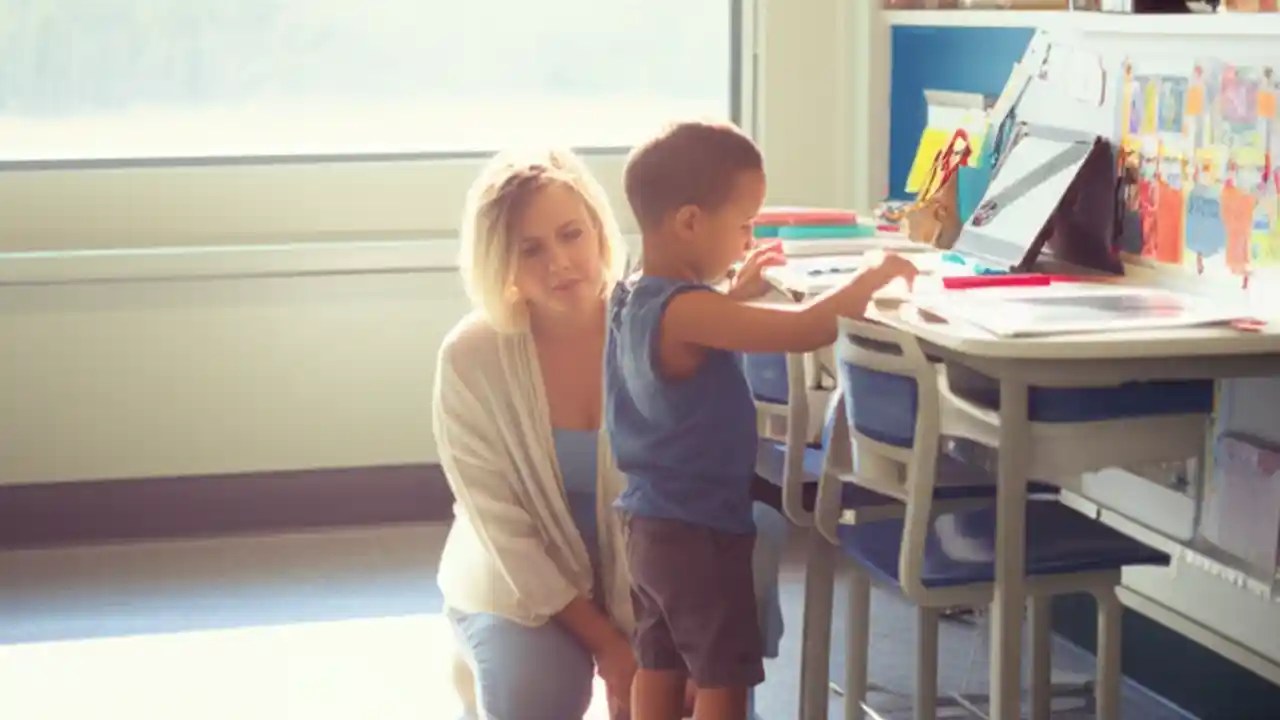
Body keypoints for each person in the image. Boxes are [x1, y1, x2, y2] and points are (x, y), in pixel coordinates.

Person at [434, 147, 789, 720]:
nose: (560, 263)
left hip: (657, 572)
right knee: (537, 700)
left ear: (599, 230)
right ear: (500, 260)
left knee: (699, 693)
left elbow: (716, 486)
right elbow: (502, 533)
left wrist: (694, 651)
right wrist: (610, 649)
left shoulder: (654, 323)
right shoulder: (469, 357)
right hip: (521, 587)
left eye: (572, 234)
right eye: (531, 249)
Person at [606, 120, 918, 720]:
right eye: (744, 225)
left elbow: (682, 344)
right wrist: (871, 275)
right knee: (722, 674)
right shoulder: (689, 311)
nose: (749, 239)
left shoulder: (632, 297)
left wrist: (732, 294)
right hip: (701, 529)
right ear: (691, 222)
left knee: (660, 660)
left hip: (647, 524)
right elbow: (805, 330)